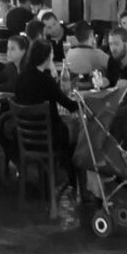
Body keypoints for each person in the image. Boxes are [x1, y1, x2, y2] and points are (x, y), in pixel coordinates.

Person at [13, 38, 77, 186]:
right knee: (77, 132)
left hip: (24, 137)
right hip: (49, 138)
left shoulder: (21, 77)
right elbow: (69, 105)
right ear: (48, 56)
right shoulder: (46, 80)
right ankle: (74, 181)